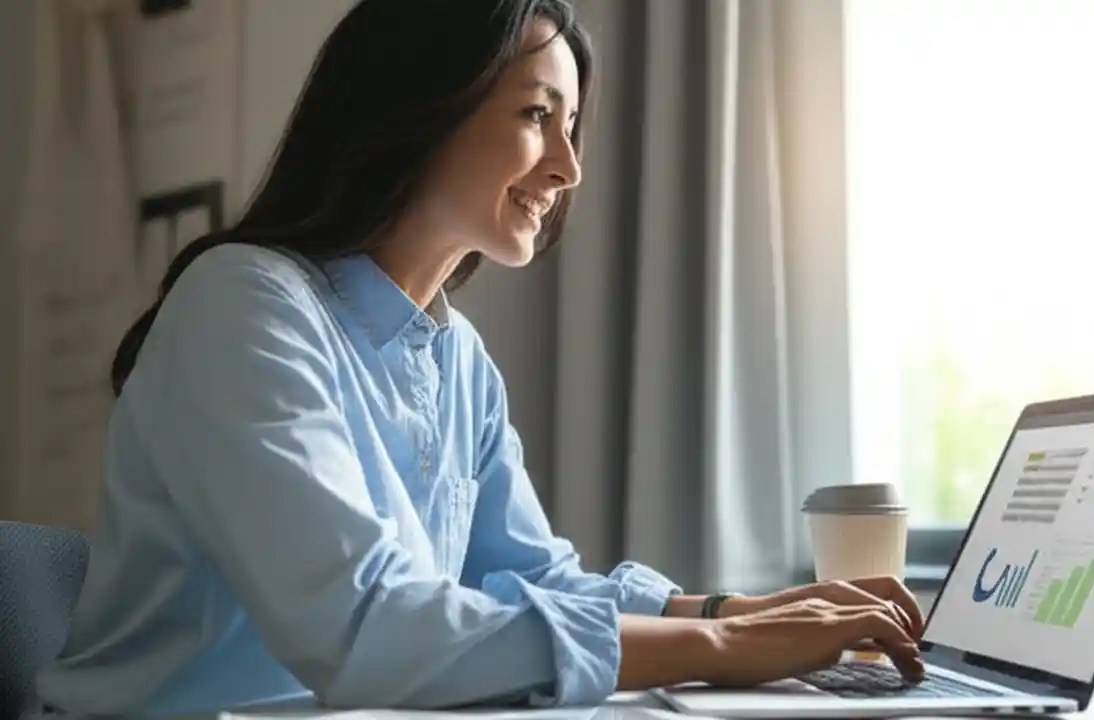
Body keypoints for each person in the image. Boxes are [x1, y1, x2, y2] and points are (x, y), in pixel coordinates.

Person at [39, 0, 926, 715]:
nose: (571, 167)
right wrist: (727, 649)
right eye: (539, 116)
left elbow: (532, 580)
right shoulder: (244, 305)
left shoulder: (455, 355)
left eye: (573, 125)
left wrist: (737, 611)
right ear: (419, 108)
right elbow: (366, 628)